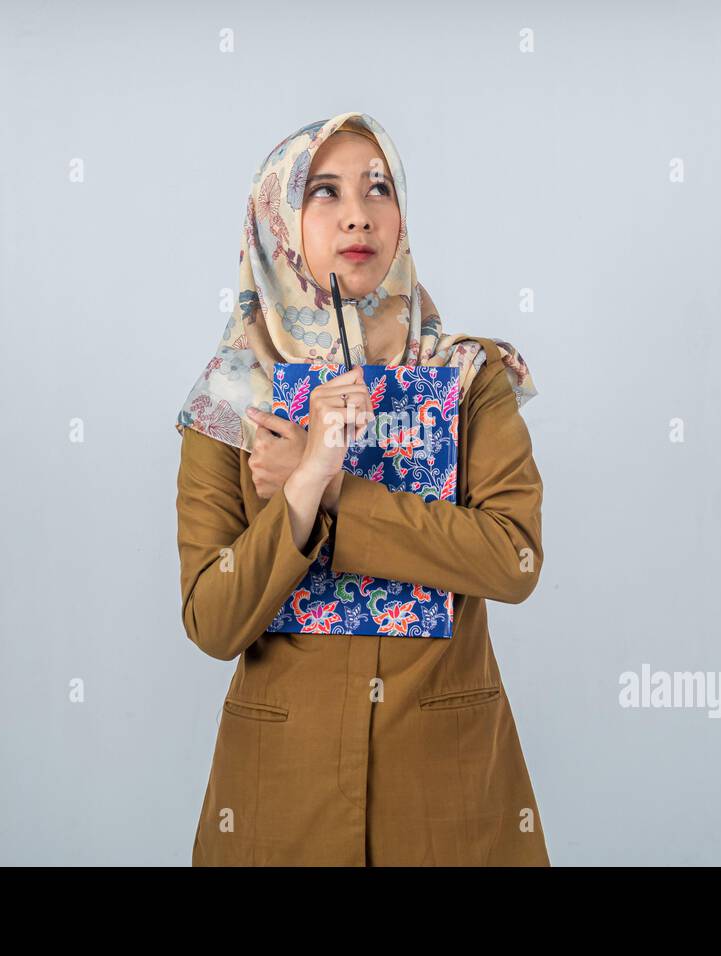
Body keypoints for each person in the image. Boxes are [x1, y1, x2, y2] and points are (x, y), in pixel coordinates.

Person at [174, 111, 548, 866]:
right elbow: (213, 621)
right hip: (282, 798)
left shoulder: (469, 379)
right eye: (325, 191)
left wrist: (343, 491)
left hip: (449, 798)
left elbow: (513, 560)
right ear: (277, 218)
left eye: (379, 188)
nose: (358, 213)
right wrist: (305, 482)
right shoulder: (230, 399)